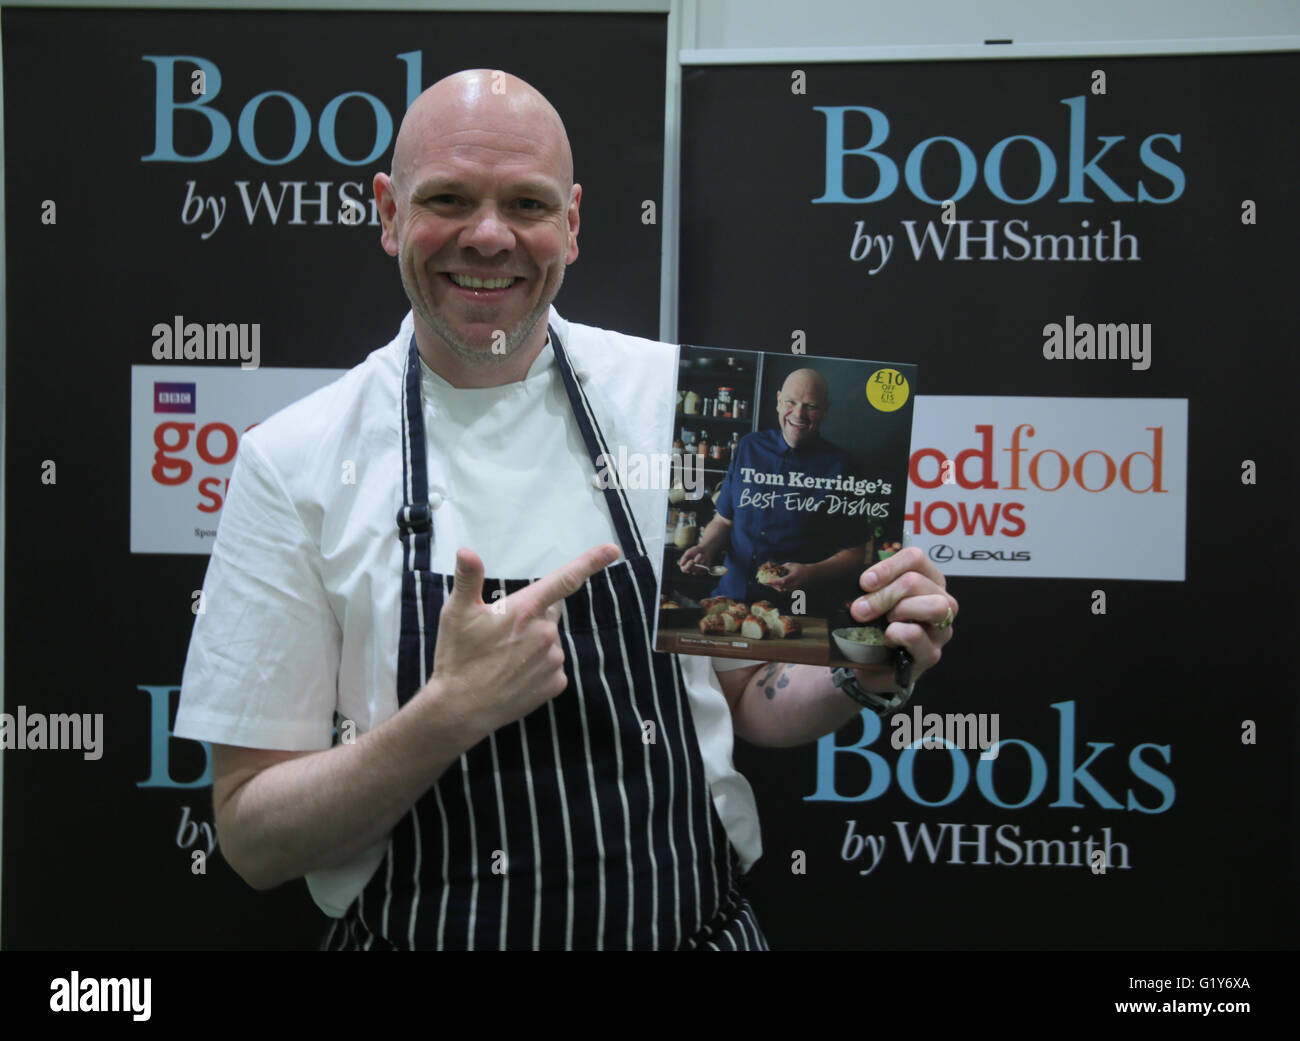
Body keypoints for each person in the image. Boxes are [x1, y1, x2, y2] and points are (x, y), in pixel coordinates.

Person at [174, 68, 958, 951]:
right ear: (388, 211)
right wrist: (446, 716)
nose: (489, 235)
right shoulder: (294, 461)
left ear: (572, 225)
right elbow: (250, 835)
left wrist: (864, 657)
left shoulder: (679, 402)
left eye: (528, 205)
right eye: (448, 198)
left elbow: (750, 697)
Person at [679, 367, 867, 613]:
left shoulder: (843, 467)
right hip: (729, 600)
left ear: (825, 411)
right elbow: (724, 520)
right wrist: (705, 549)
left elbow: (854, 553)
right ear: (779, 401)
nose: (798, 413)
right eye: (791, 402)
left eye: (810, 406)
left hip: (796, 612)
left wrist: (809, 573)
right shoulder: (749, 447)